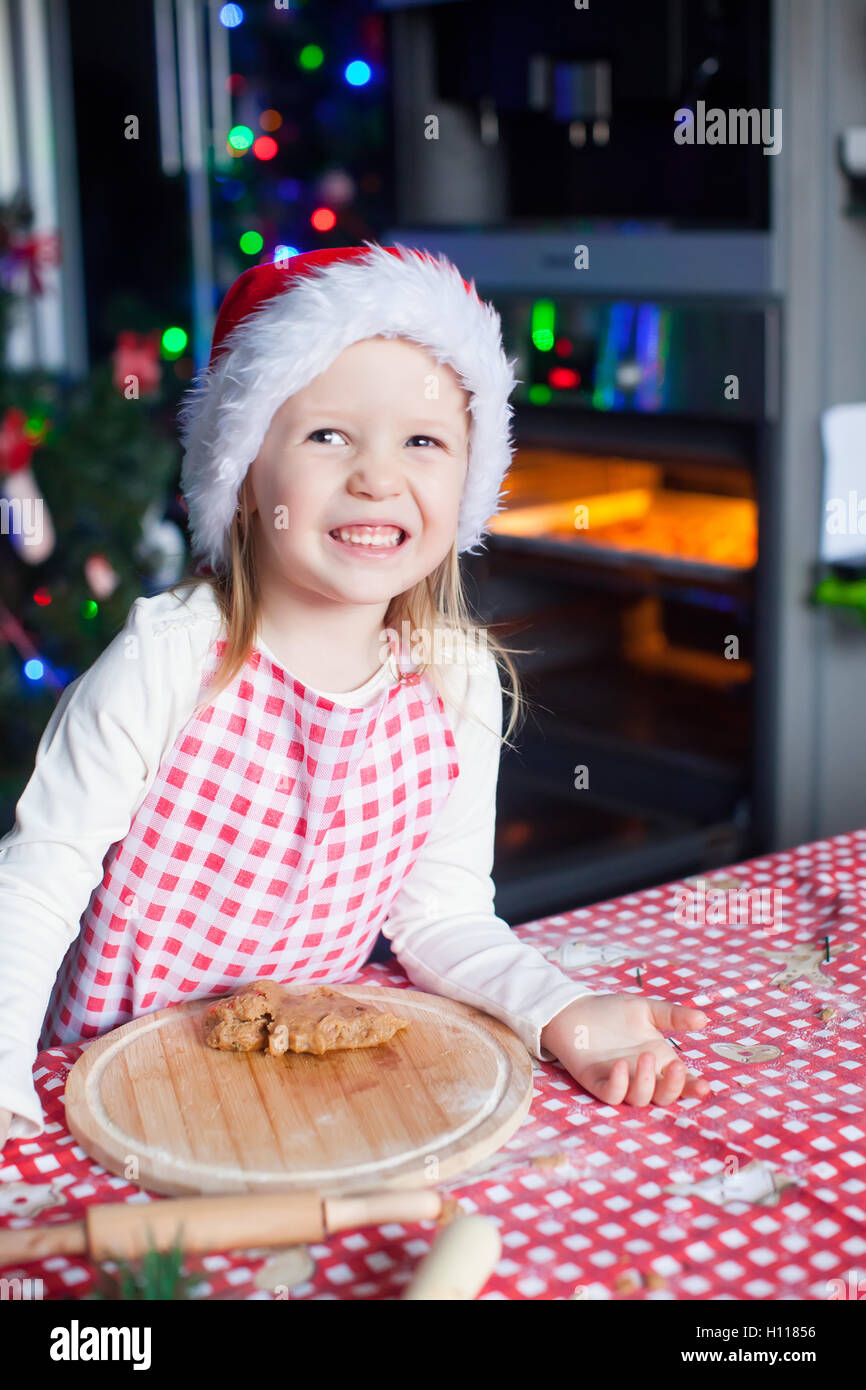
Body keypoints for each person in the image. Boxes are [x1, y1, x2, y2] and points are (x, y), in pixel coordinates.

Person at [0, 242, 710, 1149]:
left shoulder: (454, 680)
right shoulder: (167, 663)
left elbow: (443, 916)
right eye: (328, 434)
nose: (378, 476)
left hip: (308, 1098)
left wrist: (562, 1011)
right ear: (247, 480)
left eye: (422, 441)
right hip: (117, 1100)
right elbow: (36, 881)